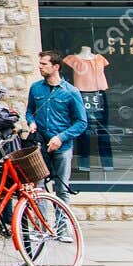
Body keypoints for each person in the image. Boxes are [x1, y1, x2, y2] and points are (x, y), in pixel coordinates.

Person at [26, 50, 87, 200]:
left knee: (62, 189)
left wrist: (60, 138)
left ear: (56, 67)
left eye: (44, 64)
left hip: (62, 147)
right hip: (40, 146)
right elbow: (29, 111)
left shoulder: (71, 92)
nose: (40, 67)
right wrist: (31, 122)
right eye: (39, 64)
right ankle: (43, 223)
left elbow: (81, 122)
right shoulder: (35, 88)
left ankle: (63, 223)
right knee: (38, 188)